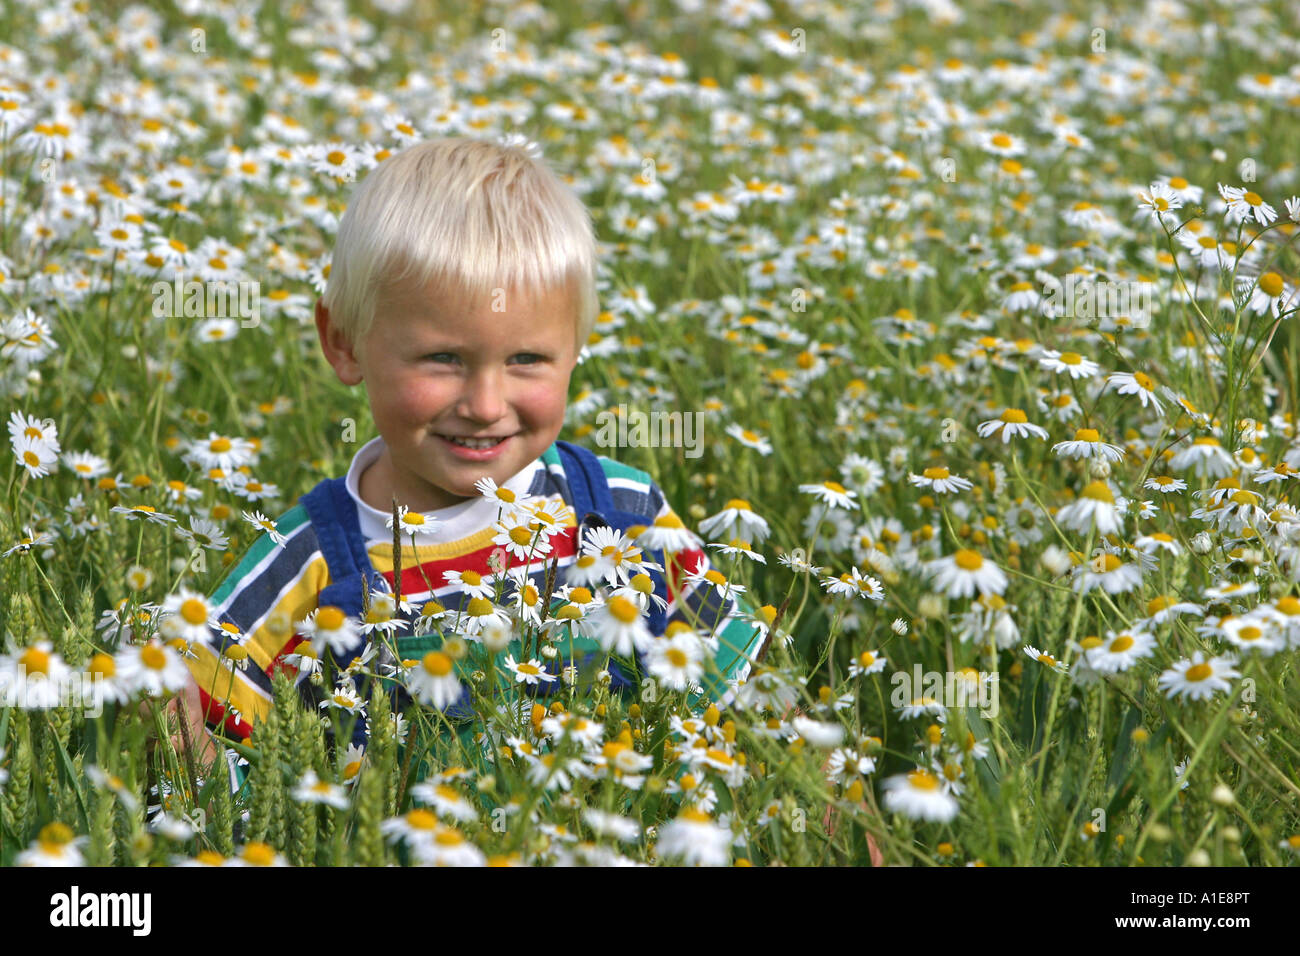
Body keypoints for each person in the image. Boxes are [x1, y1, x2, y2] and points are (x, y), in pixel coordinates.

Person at [172, 137, 771, 770]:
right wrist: (164, 697)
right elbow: (197, 739)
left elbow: (747, 688)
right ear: (344, 343)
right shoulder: (308, 565)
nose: (486, 405)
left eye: (526, 360)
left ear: (575, 350)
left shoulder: (621, 514)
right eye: (443, 358)